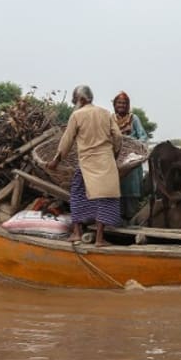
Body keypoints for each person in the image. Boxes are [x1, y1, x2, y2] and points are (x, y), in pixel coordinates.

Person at [48, 85, 123, 246]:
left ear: (81, 99)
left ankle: (77, 232)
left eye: (74, 100)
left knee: (77, 193)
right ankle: (99, 238)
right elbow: (118, 136)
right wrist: (114, 154)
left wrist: (56, 160)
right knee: (106, 197)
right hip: (106, 162)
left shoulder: (77, 115)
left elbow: (67, 140)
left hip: (86, 163)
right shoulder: (106, 113)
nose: (74, 103)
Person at [112, 91, 148, 221]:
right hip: (116, 159)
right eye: (119, 103)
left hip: (131, 159)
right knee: (116, 189)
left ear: (127, 105)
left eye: (124, 103)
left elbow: (143, 136)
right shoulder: (111, 119)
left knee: (131, 189)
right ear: (115, 105)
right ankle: (118, 219)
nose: (121, 105)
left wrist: (134, 146)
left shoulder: (134, 118)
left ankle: (132, 219)